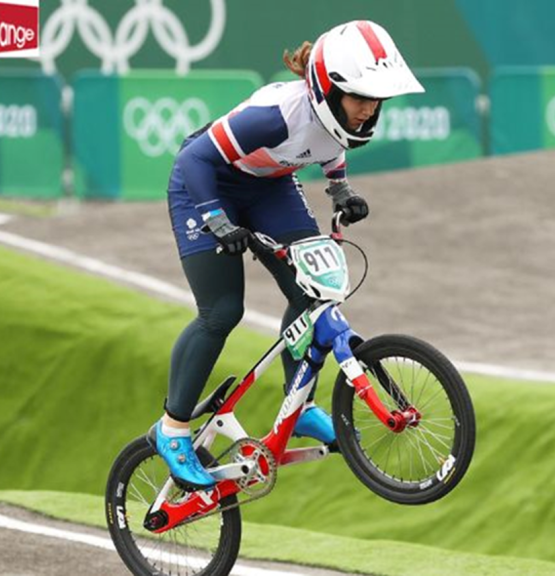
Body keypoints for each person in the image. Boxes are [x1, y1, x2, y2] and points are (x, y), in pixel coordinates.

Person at [153, 20, 424, 491]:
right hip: (204, 184)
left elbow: (329, 148)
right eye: (360, 97)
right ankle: (173, 430)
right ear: (327, 88)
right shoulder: (276, 115)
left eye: (375, 99)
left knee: (313, 292)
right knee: (222, 311)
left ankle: (300, 407)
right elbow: (193, 160)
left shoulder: (341, 117)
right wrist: (216, 218)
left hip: (267, 188)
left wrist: (339, 189)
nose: (368, 109)